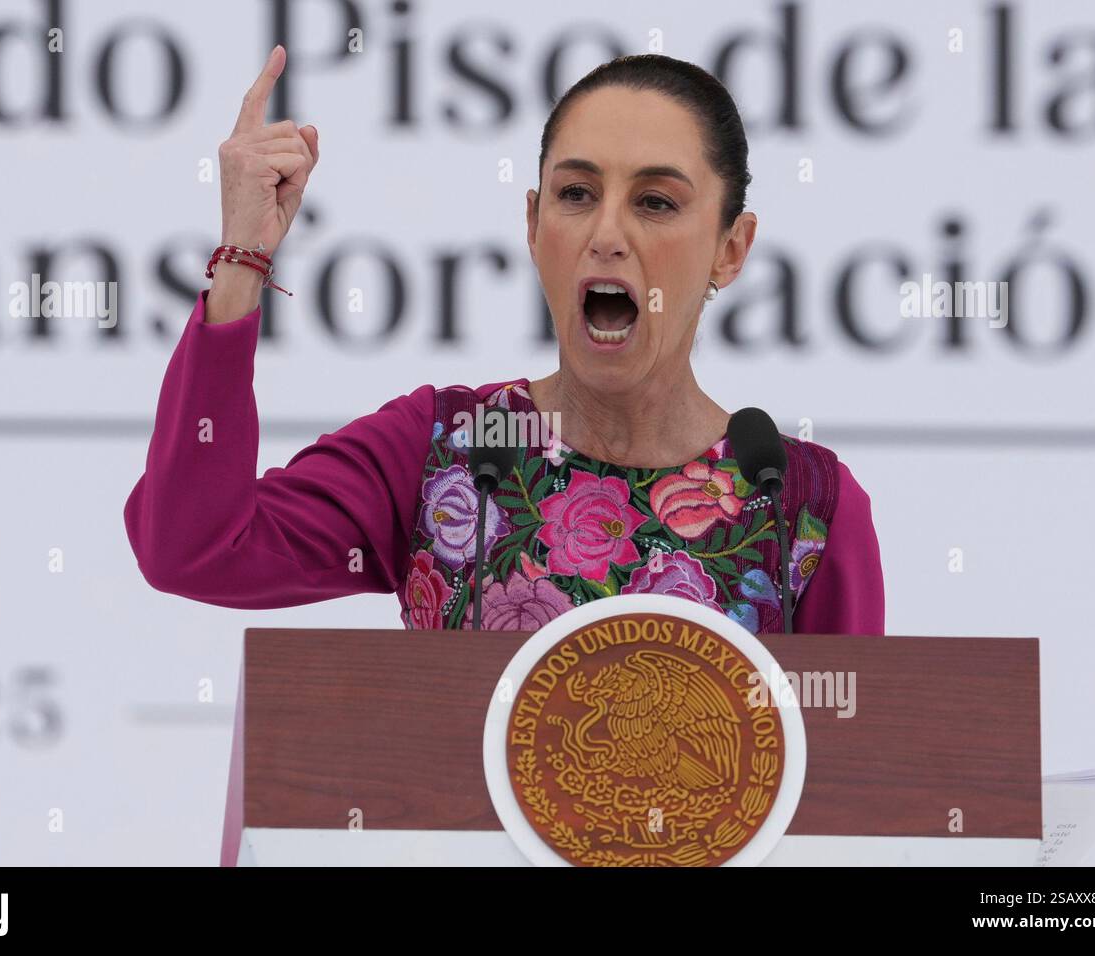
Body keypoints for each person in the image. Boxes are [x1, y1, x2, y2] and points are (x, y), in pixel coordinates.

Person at [123, 46, 886, 636]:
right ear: (533, 225)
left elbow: (856, 804)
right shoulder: (448, 448)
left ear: (732, 247)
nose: (607, 235)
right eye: (576, 195)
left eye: (656, 202)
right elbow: (191, 549)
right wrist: (241, 265)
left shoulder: (800, 507)